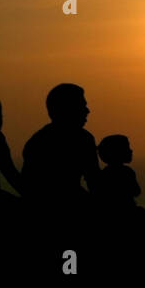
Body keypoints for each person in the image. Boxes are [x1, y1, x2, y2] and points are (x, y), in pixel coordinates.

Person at [21, 83, 99, 216]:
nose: (87, 111)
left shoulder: (37, 140)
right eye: (82, 106)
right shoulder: (83, 139)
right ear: (67, 109)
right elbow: (94, 182)